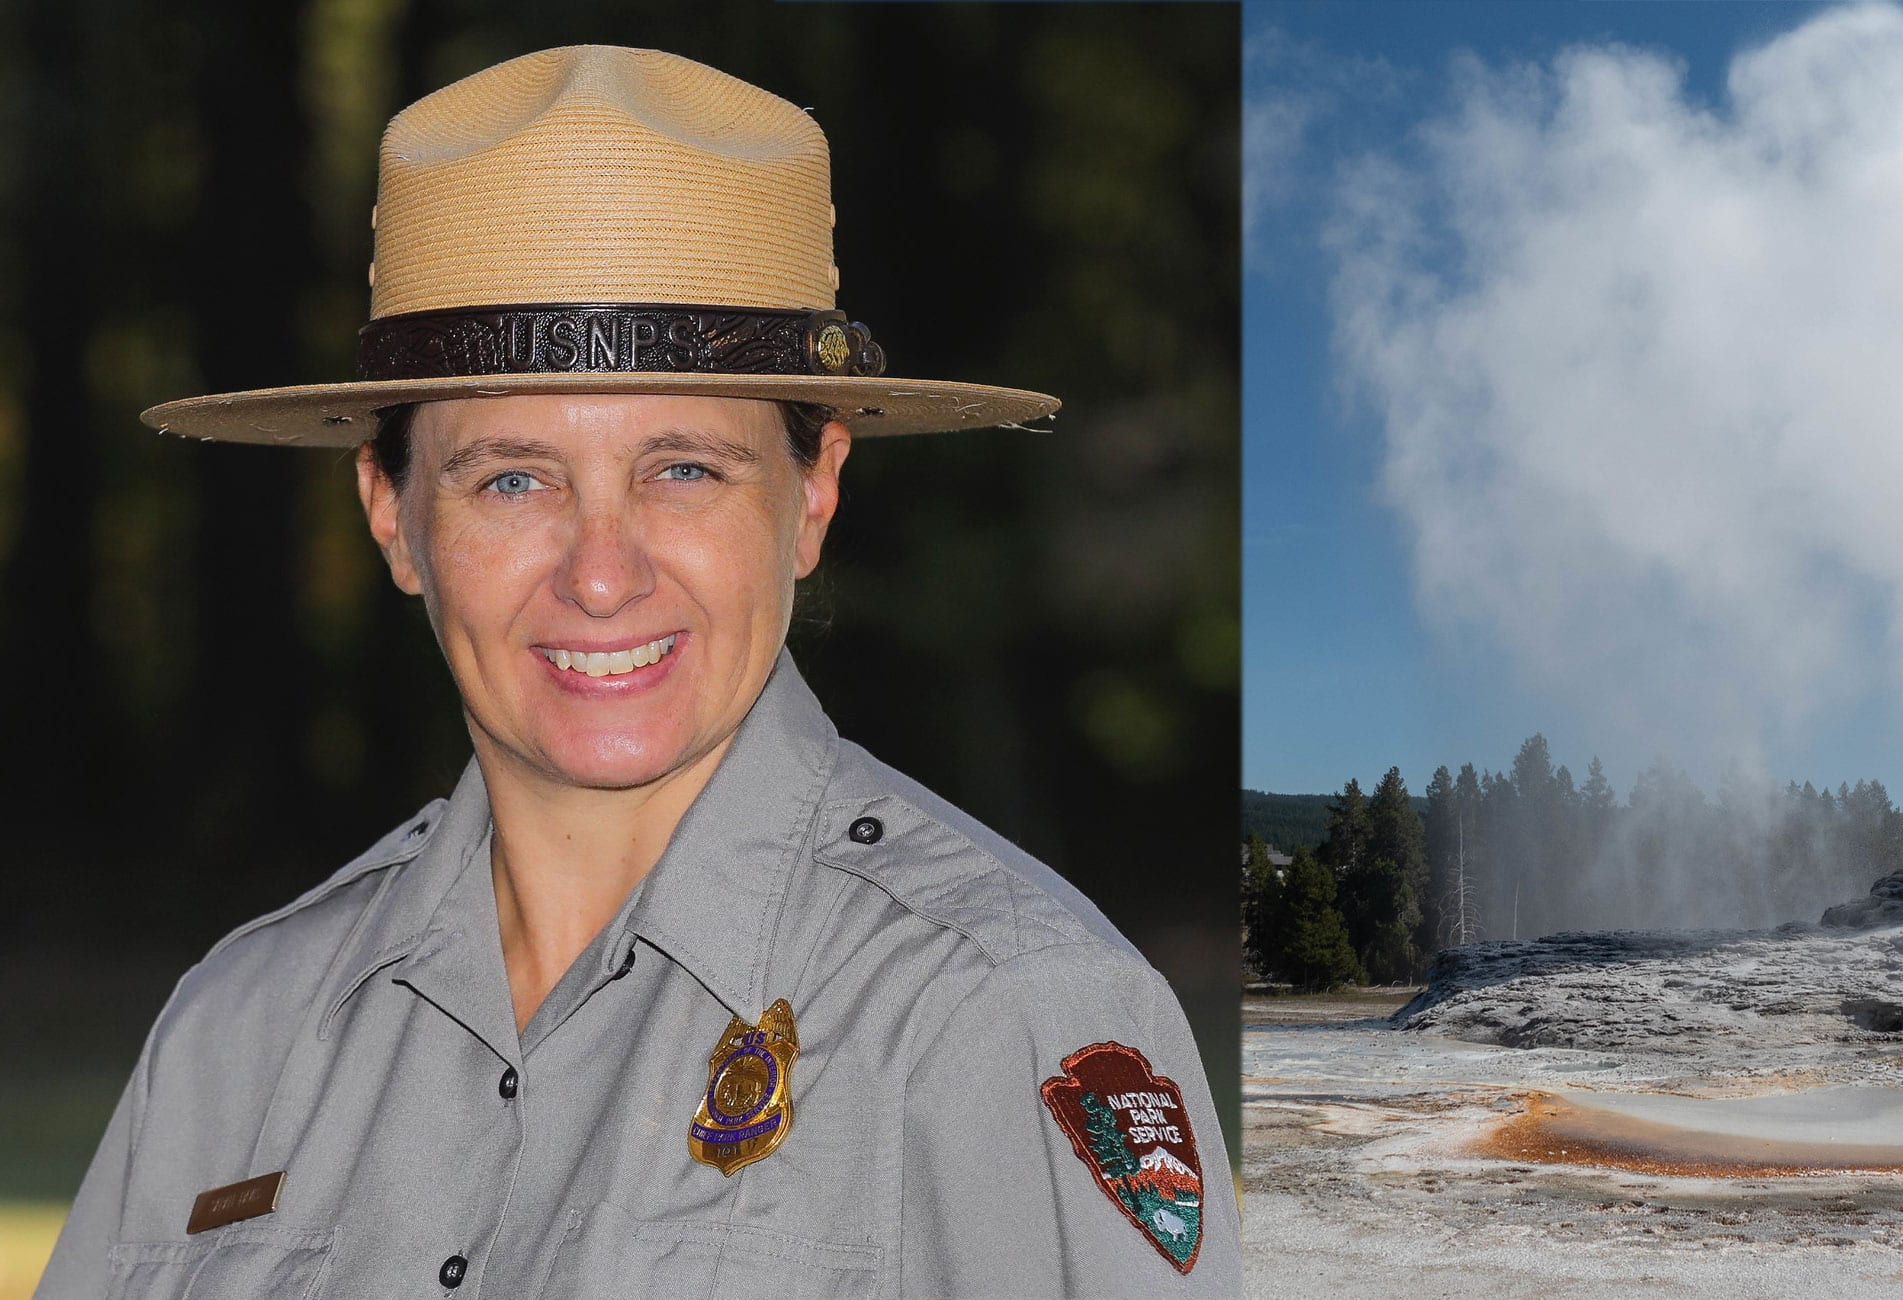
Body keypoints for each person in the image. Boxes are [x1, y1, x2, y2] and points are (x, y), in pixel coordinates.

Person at [36, 43, 1236, 1299]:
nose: (600, 574)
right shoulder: (237, 1035)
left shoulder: (1002, 1013)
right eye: (512, 478)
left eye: (684, 469)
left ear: (815, 491)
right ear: (391, 514)